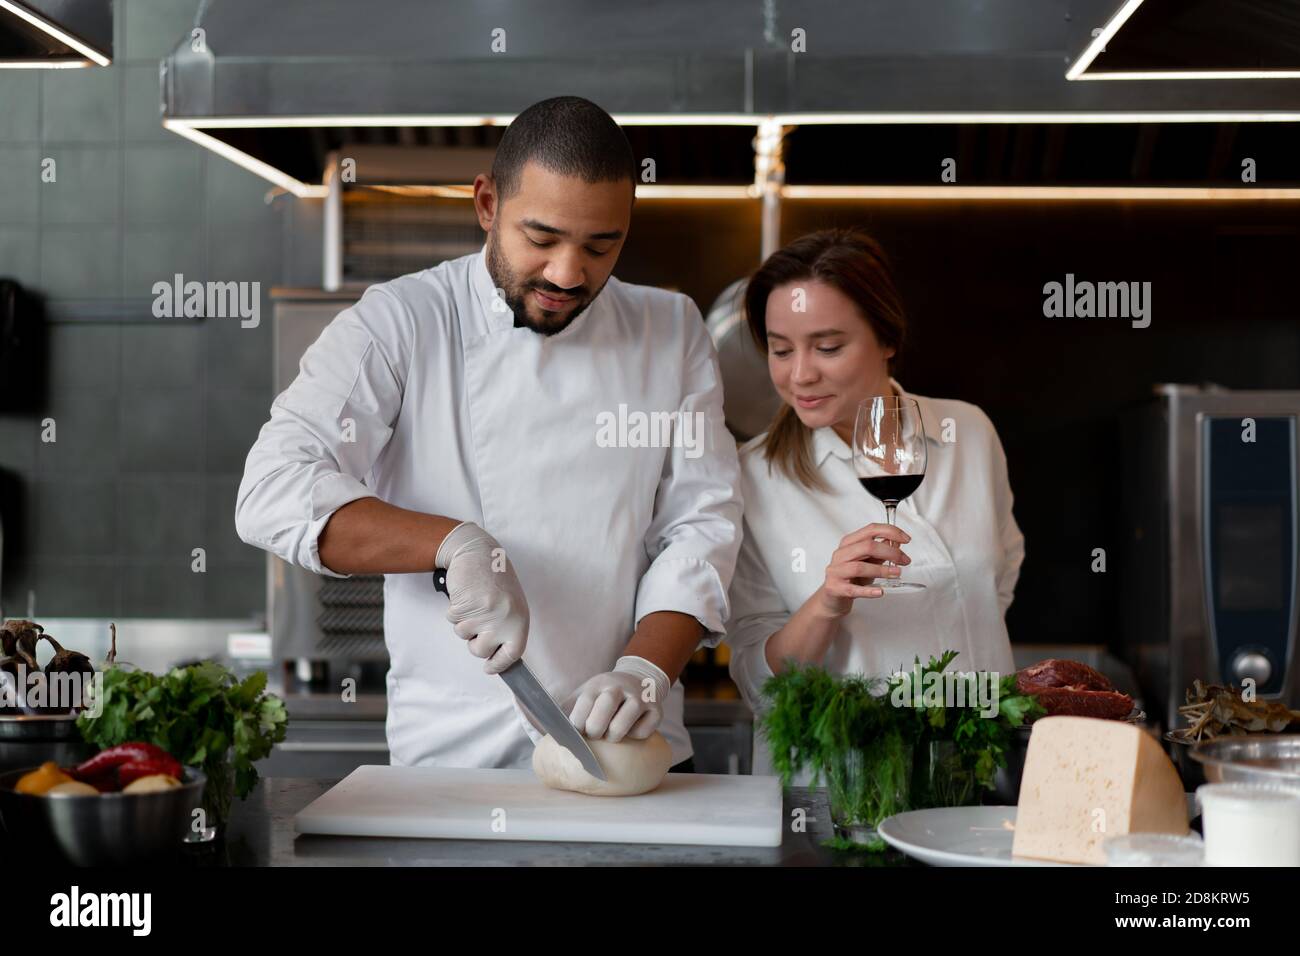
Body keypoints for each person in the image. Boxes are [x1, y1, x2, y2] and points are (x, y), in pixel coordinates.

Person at [236, 96, 742, 771]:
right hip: (453, 764)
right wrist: (455, 544)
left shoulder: (671, 330)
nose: (568, 274)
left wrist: (645, 672)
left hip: (628, 755)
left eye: (601, 246)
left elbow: (700, 528)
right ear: (486, 204)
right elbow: (272, 488)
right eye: (542, 238)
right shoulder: (401, 323)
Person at [725, 229, 1023, 775]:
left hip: (971, 774)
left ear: (887, 338)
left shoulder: (968, 432)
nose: (800, 375)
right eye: (780, 349)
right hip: (840, 786)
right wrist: (827, 603)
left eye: (828, 347)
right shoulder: (752, 476)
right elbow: (756, 679)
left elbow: (997, 582)